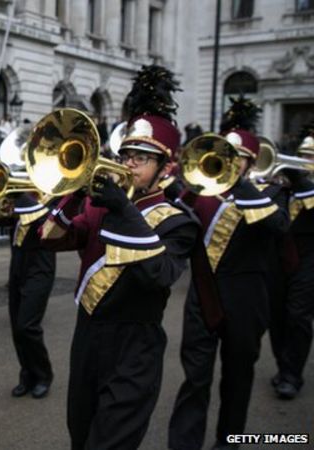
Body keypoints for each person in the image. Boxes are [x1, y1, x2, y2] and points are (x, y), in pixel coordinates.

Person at [43, 66, 198, 449]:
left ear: (166, 169)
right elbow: (52, 239)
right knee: (80, 433)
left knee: (111, 442)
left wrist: (122, 210)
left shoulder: (179, 222)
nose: (129, 163)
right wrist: (73, 192)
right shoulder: (103, 207)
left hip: (135, 342)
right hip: (87, 335)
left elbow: (159, 274)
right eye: (126, 154)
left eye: (141, 158)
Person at [168, 97, 289, 450]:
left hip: (247, 298)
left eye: (238, 158)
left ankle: (229, 439)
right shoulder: (200, 192)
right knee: (195, 377)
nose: (229, 163)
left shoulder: (270, 193)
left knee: (238, 376)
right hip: (201, 296)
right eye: (225, 154)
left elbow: (279, 228)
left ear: (252, 162)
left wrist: (240, 185)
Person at [269, 123, 314, 400]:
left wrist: (302, 182)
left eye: (310, 157)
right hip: (280, 259)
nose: (305, 162)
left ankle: (292, 374)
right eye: (303, 156)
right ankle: (283, 364)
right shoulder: (285, 188)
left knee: (298, 314)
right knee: (276, 315)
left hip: (309, 258)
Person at [4, 193, 56, 399]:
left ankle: (44, 375)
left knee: (28, 325)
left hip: (40, 269)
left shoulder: (50, 201)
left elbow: (48, 225)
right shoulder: (22, 203)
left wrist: (23, 199)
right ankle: (27, 373)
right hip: (17, 267)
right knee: (17, 327)